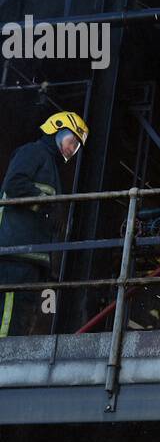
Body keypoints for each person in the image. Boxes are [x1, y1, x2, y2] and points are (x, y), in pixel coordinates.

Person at [0, 112, 89, 337]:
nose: (73, 149)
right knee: (8, 315)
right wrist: (48, 204)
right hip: (15, 254)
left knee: (21, 317)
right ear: (56, 130)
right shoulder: (33, 152)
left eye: (77, 146)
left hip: (32, 259)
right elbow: (14, 184)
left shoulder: (51, 166)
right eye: (72, 141)